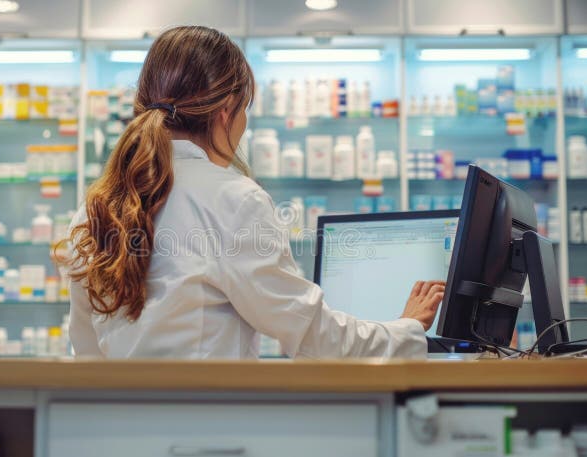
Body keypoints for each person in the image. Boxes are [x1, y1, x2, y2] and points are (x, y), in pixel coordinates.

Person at [63, 25, 445, 359]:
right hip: (206, 426)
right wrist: (406, 329)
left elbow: (87, 350)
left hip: (114, 423)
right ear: (226, 111)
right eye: (244, 109)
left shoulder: (96, 205)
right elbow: (314, 336)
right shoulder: (233, 198)